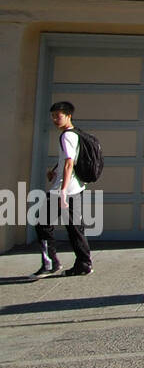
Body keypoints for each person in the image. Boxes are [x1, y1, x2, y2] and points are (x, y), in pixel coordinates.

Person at [33, 101, 93, 277]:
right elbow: (69, 160)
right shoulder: (77, 134)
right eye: (52, 116)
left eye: (57, 116)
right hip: (77, 188)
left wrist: (63, 191)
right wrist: (54, 170)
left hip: (64, 189)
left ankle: (50, 264)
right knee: (75, 228)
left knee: (42, 223)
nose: (54, 119)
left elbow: (69, 163)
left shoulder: (66, 136)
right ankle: (84, 264)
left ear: (68, 116)